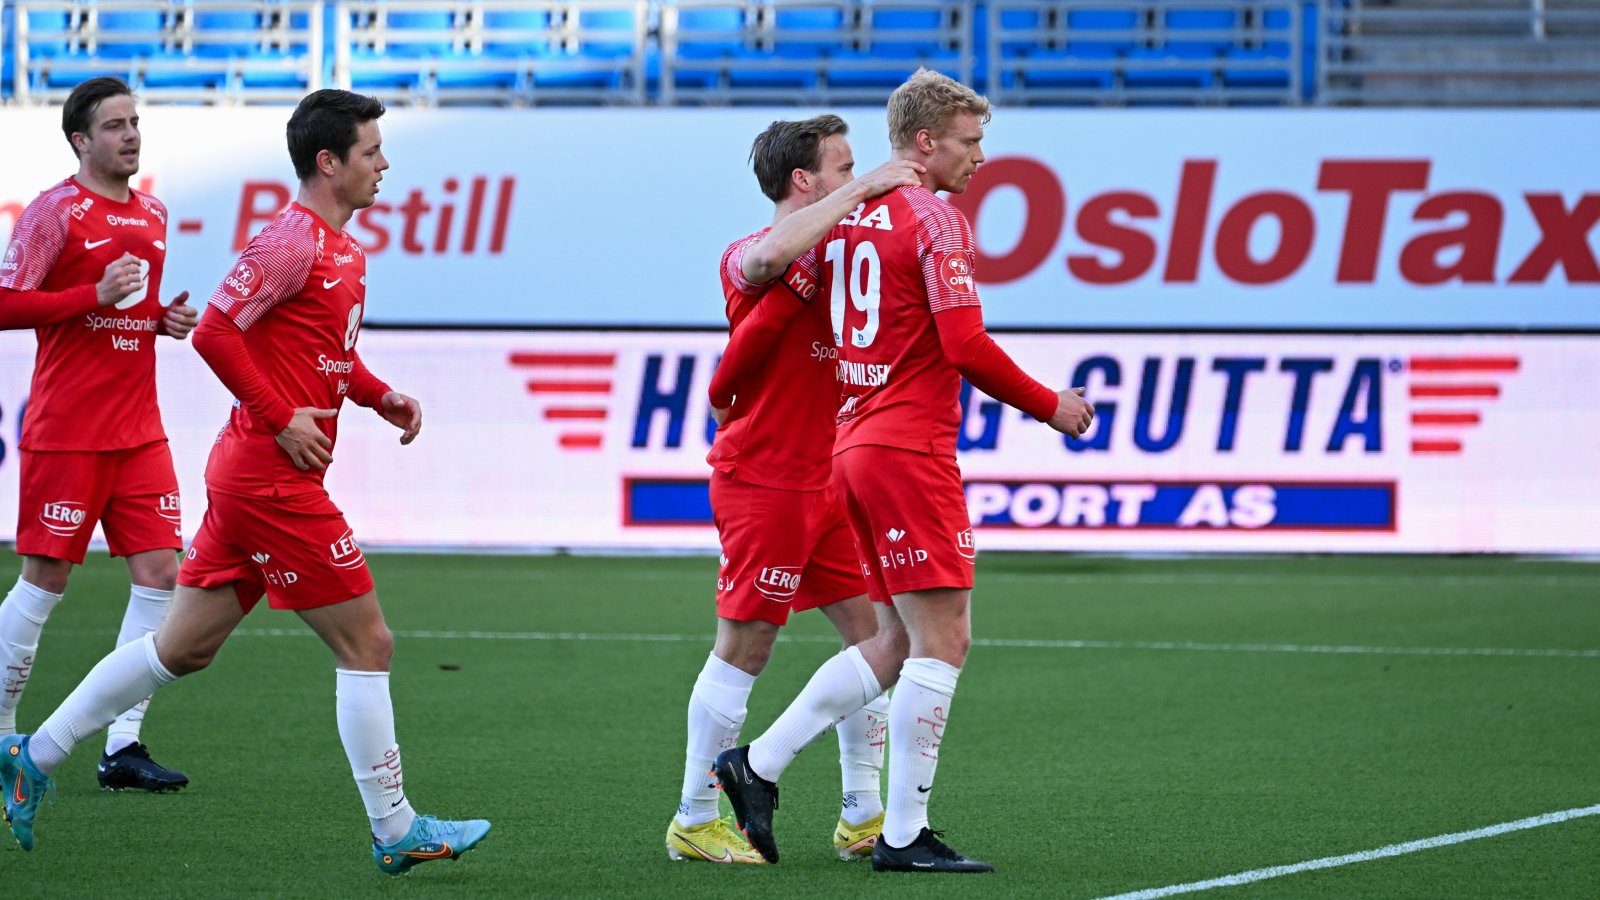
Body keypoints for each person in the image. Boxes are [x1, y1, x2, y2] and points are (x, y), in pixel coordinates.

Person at [0, 89, 490, 875]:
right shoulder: (292, 241)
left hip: (250, 477)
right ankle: (395, 828)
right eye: (371, 152)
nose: (384, 165)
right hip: (271, 480)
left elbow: (327, 356)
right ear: (328, 163)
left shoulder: (344, 249)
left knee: (179, 650)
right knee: (369, 642)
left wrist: (376, 394)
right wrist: (278, 417)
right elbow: (221, 329)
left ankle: (35, 755)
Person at [714, 68, 1094, 873]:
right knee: (944, 638)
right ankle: (900, 834)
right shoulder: (932, 218)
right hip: (905, 448)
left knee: (895, 637)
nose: (981, 156)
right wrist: (1048, 404)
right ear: (925, 143)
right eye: (969, 140)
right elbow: (964, 346)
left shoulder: (843, 222)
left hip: (851, 445)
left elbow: (766, 288)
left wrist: (724, 388)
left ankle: (760, 766)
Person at [666, 115, 923, 865]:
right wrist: (872, 186)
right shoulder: (751, 252)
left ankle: (861, 815)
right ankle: (693, 817)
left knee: (879, 643)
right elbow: (764, 261)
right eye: (845, 168)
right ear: (804, 182)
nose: (859, 177)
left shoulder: (844, 262)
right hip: (766, 480)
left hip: (830, 480)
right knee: (746, 647)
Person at [0, 76, 197, 793]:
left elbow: (126, 318)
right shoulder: (54, 212)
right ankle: (3, 736)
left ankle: (123, 746)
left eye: (135, 122)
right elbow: (5, 302)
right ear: (81, 140)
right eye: (114, 125)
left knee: (163, 579)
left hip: (139, 428)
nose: (131, 135)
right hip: (68, 430)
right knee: (45, 582)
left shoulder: (154, 214)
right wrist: (93, 295)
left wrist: (161, 321)